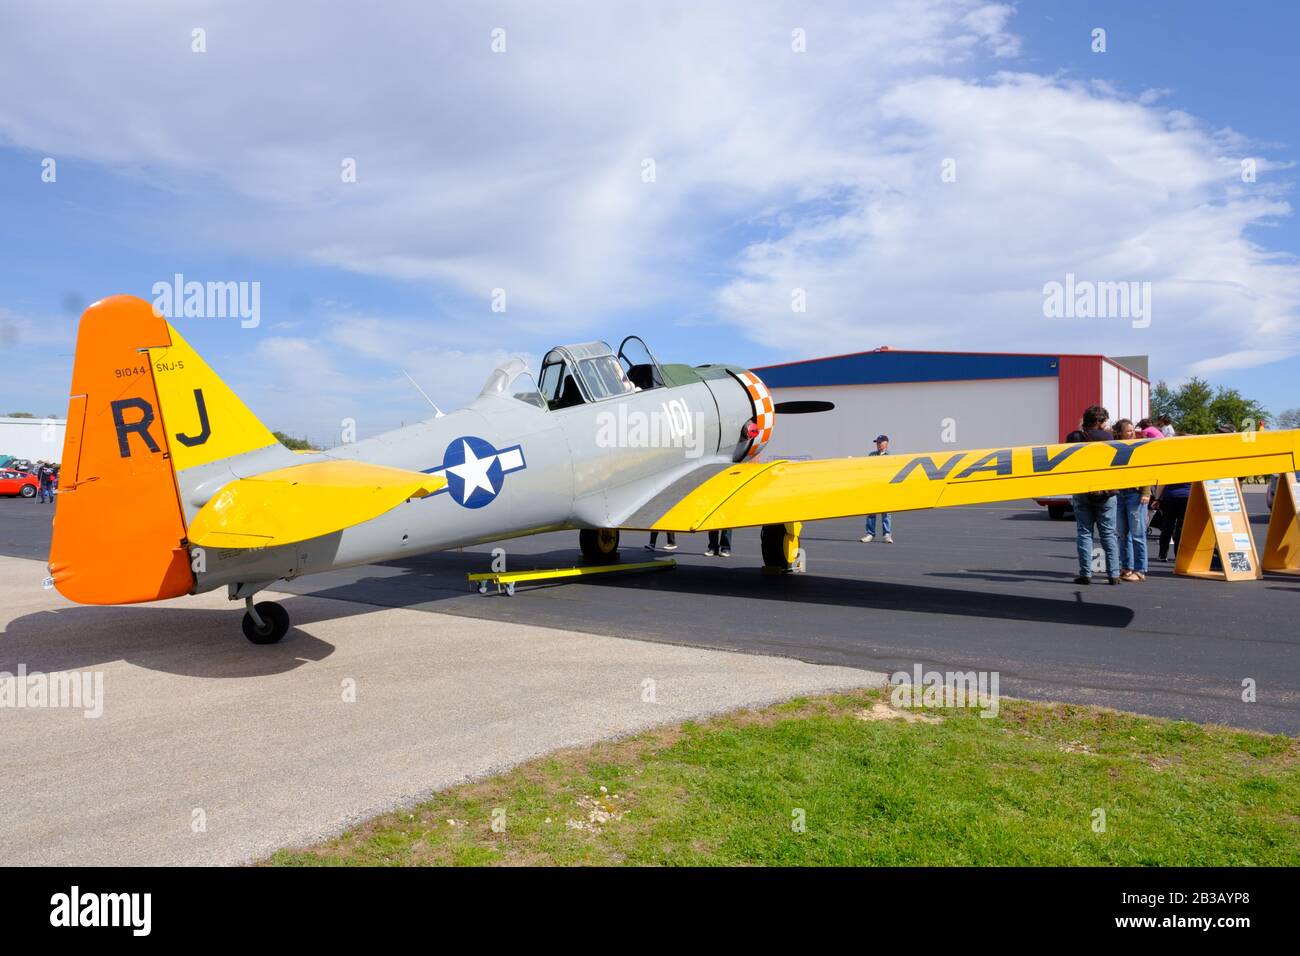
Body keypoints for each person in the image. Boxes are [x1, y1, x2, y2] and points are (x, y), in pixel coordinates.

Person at [1066, 406, 1120, 585]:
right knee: (1108, 534)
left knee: (1084, 532)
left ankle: (1086, 573)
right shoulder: (1108, 437)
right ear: (1100, 421)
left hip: (1082, 489)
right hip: (1106, 490)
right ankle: (1113, 574)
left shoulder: (1074, 437)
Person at [1112, 420, 1151, 581]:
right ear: (1120, 433)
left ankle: (1140, 569)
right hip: (1119, 494)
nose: (1132, 433)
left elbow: (1145, 470)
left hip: (1135, 494)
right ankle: (1127, 567)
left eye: (1132, 430)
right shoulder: (1114, 449)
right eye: (1128, 431)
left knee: (1137, 533)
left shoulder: (1138, 449)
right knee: (1122, 534)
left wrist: (1146, 492)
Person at [859, 434, 893, 543]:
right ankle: (870, 534)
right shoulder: (871, 455)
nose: (878, 444)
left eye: (880, 442)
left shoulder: (891, 457)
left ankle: (887, 534)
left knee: (886, 513)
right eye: (877, 443)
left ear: (886, 443)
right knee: (871, 512)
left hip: (885, 487)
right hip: (873, 487)